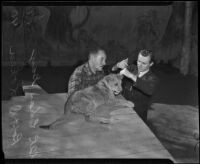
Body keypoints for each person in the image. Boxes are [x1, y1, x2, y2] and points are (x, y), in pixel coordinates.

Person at [119, 49, 159, 123]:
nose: (139, 65)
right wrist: (117, 67)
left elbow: (149, 89)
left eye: (144, 63)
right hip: (121, 111)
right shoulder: (131, 68)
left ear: (151, 64)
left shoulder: (153, 79)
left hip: (137, 117)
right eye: (139, 61)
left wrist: (131, 76)